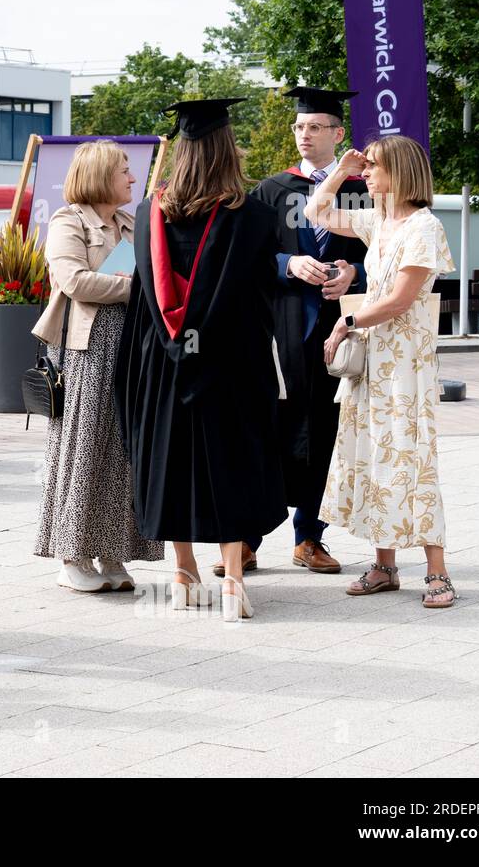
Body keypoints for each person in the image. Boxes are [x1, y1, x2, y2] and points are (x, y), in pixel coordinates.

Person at [113, 98, 286, 622]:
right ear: (227, 150)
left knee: (173, 460)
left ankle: (184, 574)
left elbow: (144, 292)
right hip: (229, 360)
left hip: (162, 362)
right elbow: (261, 294)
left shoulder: (148, 214)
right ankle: (232, 583)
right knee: (228, 460)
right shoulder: (253, 216)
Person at [309, 136, 459, 609]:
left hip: (406, 365)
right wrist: (342, 170)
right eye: (365, 167)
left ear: (399, 171)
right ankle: (384, 565)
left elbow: (400, 300)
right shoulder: (379, 222)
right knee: (375, 456)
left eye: (373, 167)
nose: (366, 174)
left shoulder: (423, 227)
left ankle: (438, 572)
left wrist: (346, 321)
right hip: (374, 359)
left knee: (412, 459)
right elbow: (317, 212)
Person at [228, 86, 372, 578]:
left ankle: (310, 536)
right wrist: (289, 263)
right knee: (271, 426)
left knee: (327, 431)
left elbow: (390, 255)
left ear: (337, 134)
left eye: (314, 127)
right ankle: (246, 538)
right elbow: (244, 257)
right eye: (298, 127)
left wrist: (355, 273)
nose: (303, 135)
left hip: (342, 327)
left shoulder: (364, 190)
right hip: (282, 326)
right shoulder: (272, 190)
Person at [32, 141, 164, 590]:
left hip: (130, 346)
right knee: (84, 446)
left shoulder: (130, 222)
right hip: (85, 348)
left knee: (123, 450)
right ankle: (71, 556)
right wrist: (132, 287)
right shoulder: (69, 220)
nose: (132, 178)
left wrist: (133, 284)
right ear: (101, 175)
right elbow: (73, 281)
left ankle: (112, 551)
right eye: (124, 170)